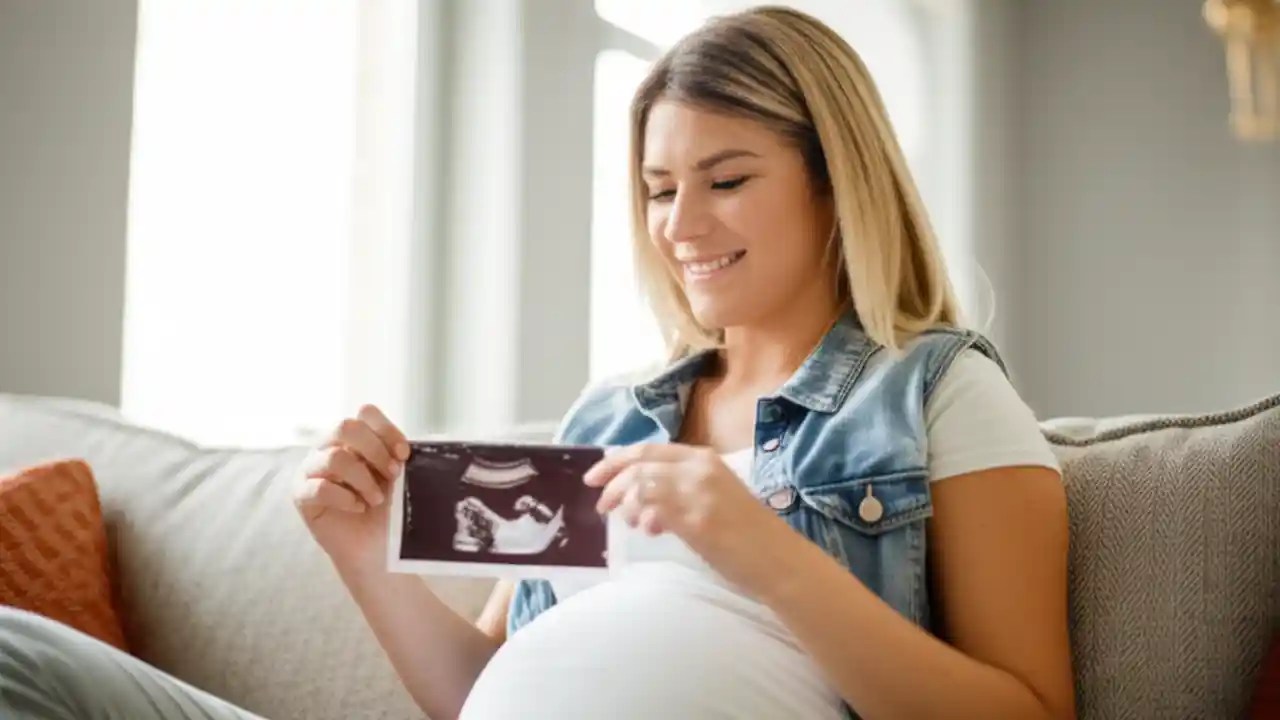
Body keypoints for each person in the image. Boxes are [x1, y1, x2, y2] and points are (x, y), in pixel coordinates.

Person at [0, 6, 1075, 719]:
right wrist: (359, 552)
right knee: (22, 657)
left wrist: (759, 548)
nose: (681, 224)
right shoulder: (610, 419)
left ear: (834, 181)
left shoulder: (936, 391)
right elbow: (479, 688)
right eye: (659, 188)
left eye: (727, 178)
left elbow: (1028, 713)